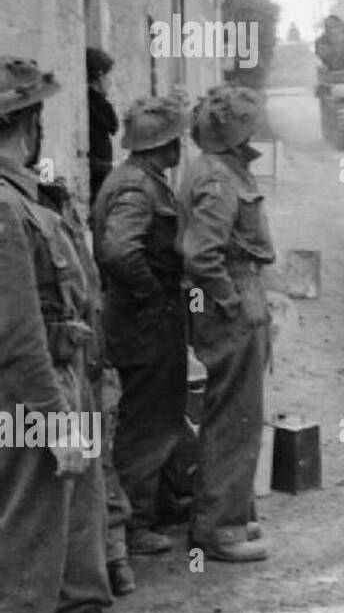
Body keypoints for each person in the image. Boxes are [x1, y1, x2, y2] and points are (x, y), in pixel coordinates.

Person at [0, 58, 138, 613]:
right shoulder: (3, 206)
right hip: (24, 404)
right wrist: (57, 425)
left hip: (39, 390)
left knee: (39, 548)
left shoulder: (20, 198)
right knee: (22, 556)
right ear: (28, 123)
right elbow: (19, 337)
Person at [180, 84, 275, 564]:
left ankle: (229, 513)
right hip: (231, 306)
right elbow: (202, 256)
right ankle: (219, 530)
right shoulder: (218, 180)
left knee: (237, 412)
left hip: (237, 297)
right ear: (233, 134)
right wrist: (231, 303)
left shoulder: (222, 167)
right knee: (234, 417)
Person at [92, 95, 189, 563]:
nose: (181, 148)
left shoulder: (141, 179)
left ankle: (161, 504)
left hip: (147, 319)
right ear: (162, 145)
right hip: (145, 320)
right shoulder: (136, 189)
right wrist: (152, 295)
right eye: (176, 140)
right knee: (146, 423)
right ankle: (134, 525)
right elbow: (117, 251)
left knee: (161, 413)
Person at [85, 47, 117, 206]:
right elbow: (85, 156)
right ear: (99, 78)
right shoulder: (90, 107)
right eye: (107, 76)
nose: (110, 82)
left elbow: (113, 125)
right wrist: (110, 166)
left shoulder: (100, 104)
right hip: (92, 183)